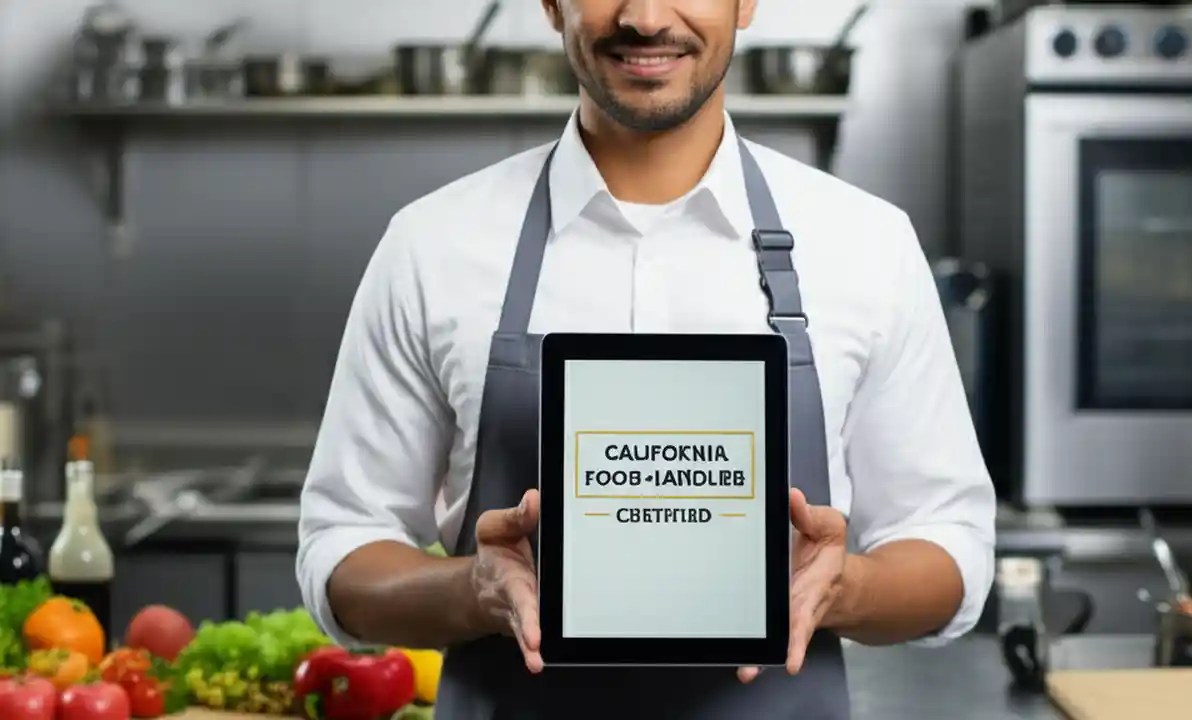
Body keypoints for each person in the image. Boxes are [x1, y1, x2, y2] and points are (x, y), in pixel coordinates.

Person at [297, 1, 996, 718]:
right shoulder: (432, 245)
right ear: (549, 4)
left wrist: (842, 588)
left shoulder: (866, 243)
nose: (645, 16)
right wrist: (472, 589)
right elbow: (344, 546)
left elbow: (948, 545)